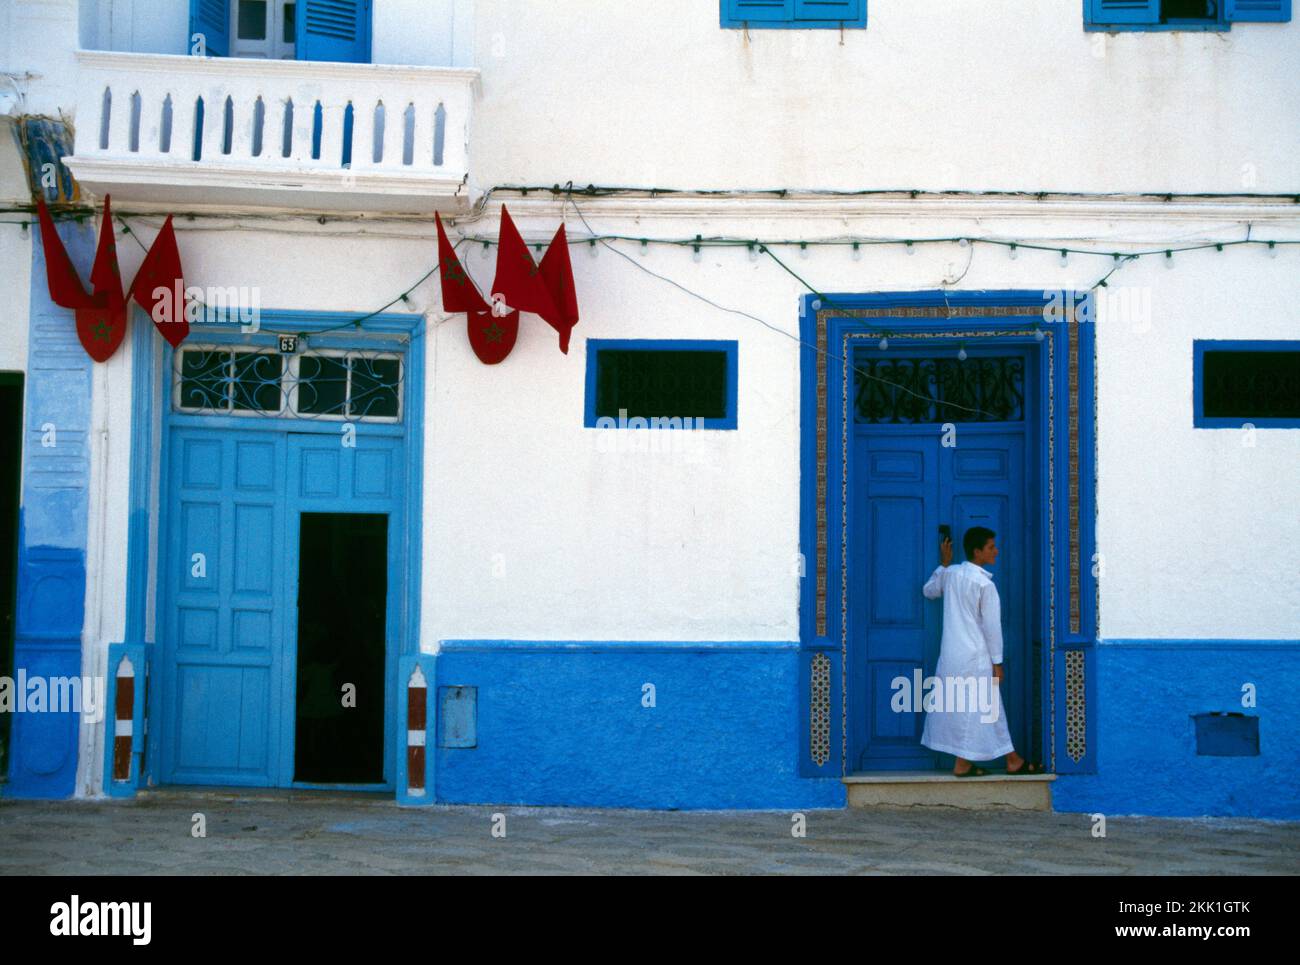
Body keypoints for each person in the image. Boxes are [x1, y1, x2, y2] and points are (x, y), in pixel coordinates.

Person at [919, 525, 1041, 777]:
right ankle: (1011, 760)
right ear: (977, 552)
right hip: (975, 656)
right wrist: (998, 662)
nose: (996, 551)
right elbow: (992, 628)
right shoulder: (985, 585)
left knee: (967, 708)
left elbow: (929, 591)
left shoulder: (951, 574)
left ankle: (967, 763)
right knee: (985, 707)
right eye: (991, 547)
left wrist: (943, 565)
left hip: (952, 656)